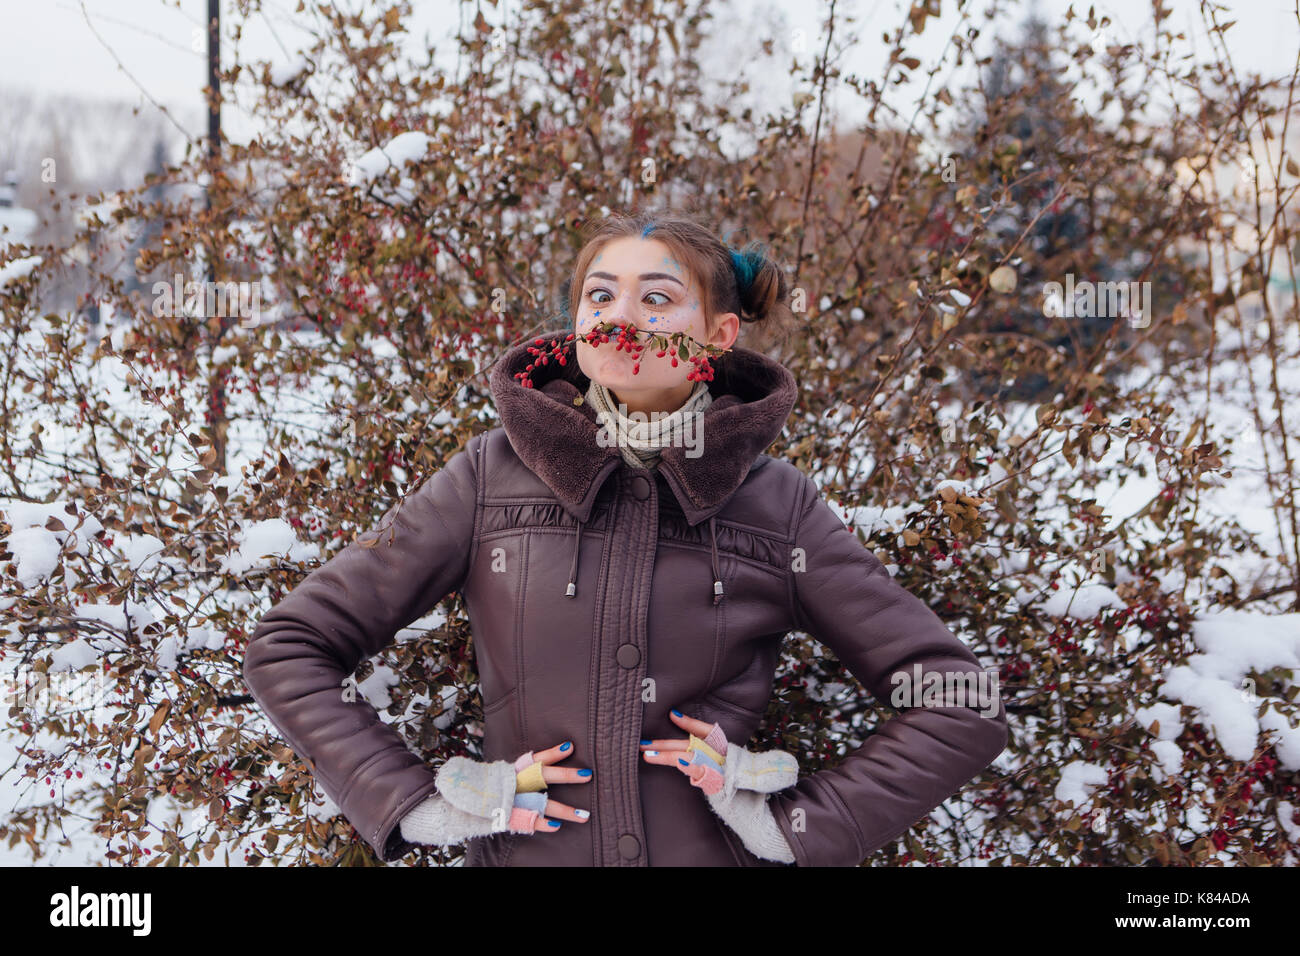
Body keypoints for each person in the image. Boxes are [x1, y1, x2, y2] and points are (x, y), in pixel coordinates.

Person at [241, 210, 1009, 866]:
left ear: (717, 334)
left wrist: (788, 827)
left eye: (658, 297)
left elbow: (958, 703)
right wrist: (414, 804)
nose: (620, 316)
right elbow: (290, 646)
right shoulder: (490, 476)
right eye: (599, 294)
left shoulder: (777, 505)